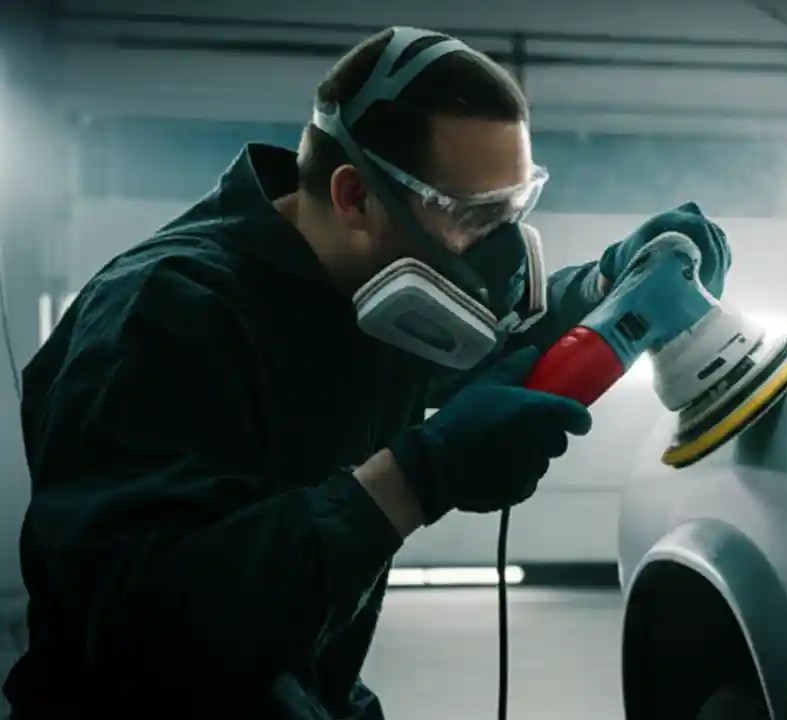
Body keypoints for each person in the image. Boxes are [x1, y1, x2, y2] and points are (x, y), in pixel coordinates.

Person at [3, 27, 731, 719]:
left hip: (304, 688)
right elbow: (148, 639)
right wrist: (412, 481)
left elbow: (498, 348)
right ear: (353, 196)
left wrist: (606, 286)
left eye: (515, 208)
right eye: (475, 217)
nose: (502, 252)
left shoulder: (370, 285)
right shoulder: (158, 318)